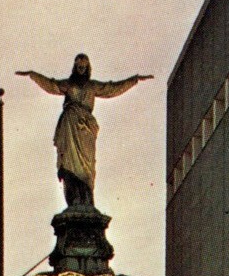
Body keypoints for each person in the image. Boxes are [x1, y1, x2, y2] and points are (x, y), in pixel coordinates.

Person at [17, 54, 153, 208]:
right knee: (69, 163)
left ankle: (87, 199)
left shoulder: (92, 86)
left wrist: (133, 80)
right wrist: (33, 75)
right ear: (75, 66)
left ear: (88, 67)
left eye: (84, 65)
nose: (81, 67)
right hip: (70, 125)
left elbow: (112, 89)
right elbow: (51, 85)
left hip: (86, 129)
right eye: (79, 64)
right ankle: (73, 198)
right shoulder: (68, 84)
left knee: (88, 167)